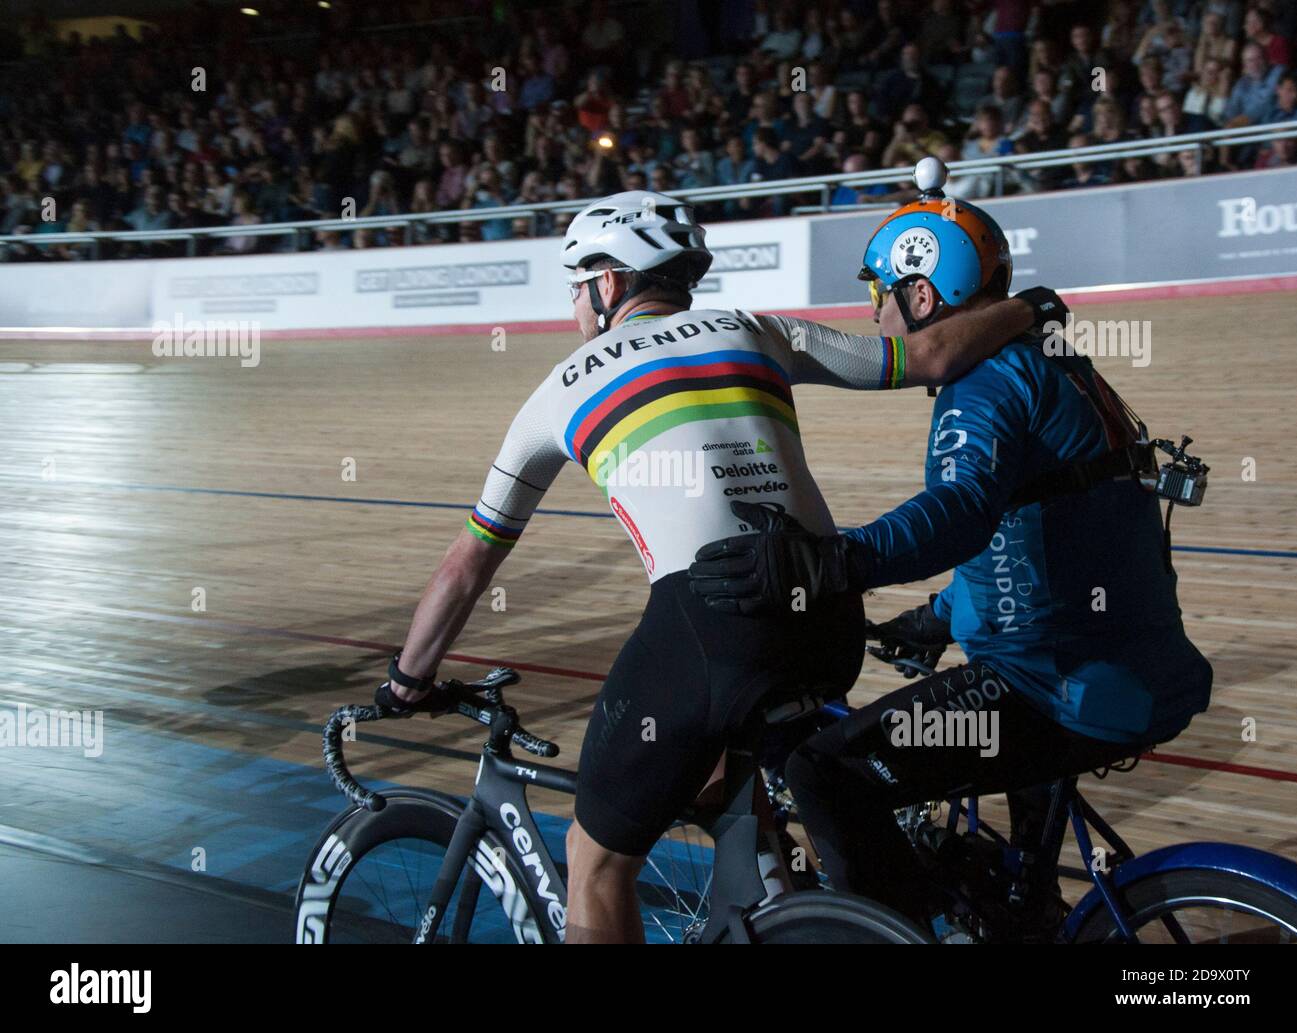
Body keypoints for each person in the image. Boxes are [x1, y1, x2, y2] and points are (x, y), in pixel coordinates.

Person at [376, 189, 1058, 943]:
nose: (574, 305)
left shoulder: (557, 392)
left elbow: (467, 565)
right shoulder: (755, 328)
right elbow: (933, 352)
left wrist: (408, 678)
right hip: (828, 614)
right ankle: (771, 892)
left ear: (608, 285)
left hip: (711, 627)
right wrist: (1026, 308)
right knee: (710, 774)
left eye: (576, 287)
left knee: (594, 857)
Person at [689, 166, 1213, 935]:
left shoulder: (985, 385)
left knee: (824, 770)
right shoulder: (1059, 360)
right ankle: (1028, 914)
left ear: (923, 297)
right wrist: (942, 612)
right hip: (1137, 662)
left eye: (881, 291)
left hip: (1056, 685)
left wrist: (832, 560)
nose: (872, 309)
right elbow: (1048, 528)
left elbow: (962, 514)